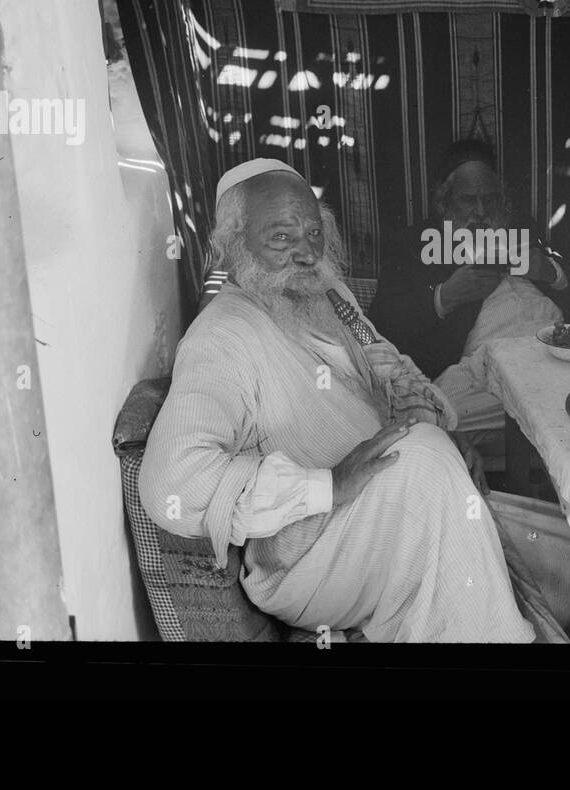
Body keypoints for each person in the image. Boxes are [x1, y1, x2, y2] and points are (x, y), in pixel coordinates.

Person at [139, 158, 534, 643]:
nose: (305, 253)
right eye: (281, 237)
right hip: (305, 560)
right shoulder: (221, 336)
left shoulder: (327, 294)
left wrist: (444, 433)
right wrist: (324, 486)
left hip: (378, 511)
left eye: (312, 233)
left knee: (535, 541)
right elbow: (170, 484)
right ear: (235, 245)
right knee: (430, 465)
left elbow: (389, 367)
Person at [371, 139, 570, 433]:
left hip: (555, 351)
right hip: (484, 369)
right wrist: (444, 296)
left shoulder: (524, 229)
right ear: (445, 200)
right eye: (468, 199)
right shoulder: (416, 242)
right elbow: (381, 322)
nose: (480, 210)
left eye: (489, 199)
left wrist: (550, 272)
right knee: (432, 421)